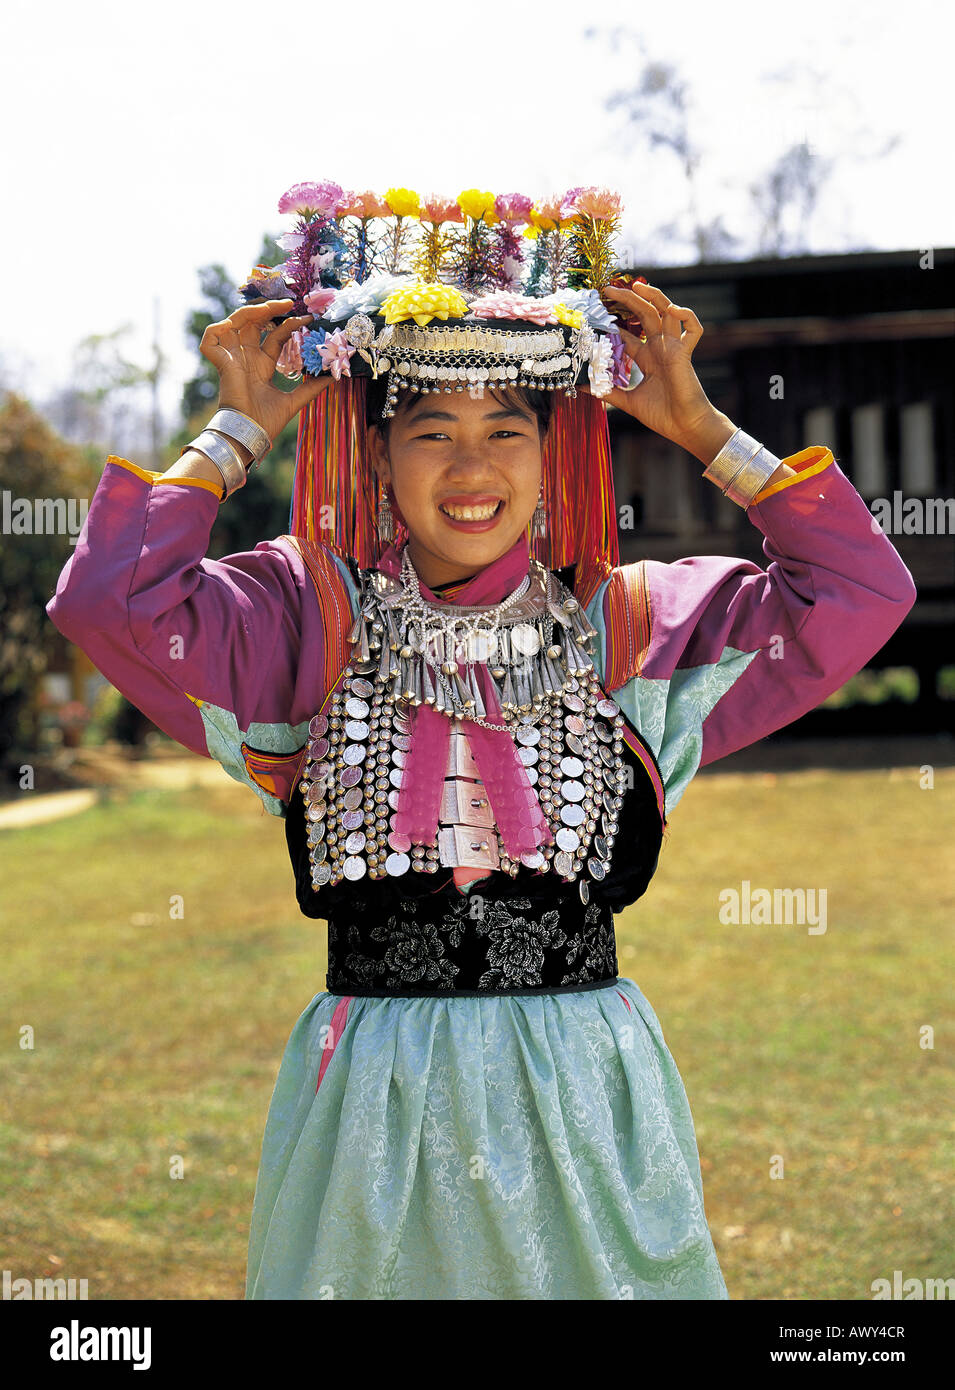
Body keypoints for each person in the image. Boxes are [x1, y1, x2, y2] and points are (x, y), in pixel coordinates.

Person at [46, 183, 916, 1300]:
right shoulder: (303, 619)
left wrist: (699, 426)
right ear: (376, 459)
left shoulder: (632, 628)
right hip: (374, 1099)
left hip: (586, 1096)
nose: (471, 470)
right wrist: (243, 426)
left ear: (553, 458)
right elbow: (107, 600)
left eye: (506, 431)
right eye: (432, 434)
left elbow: (855, 590)